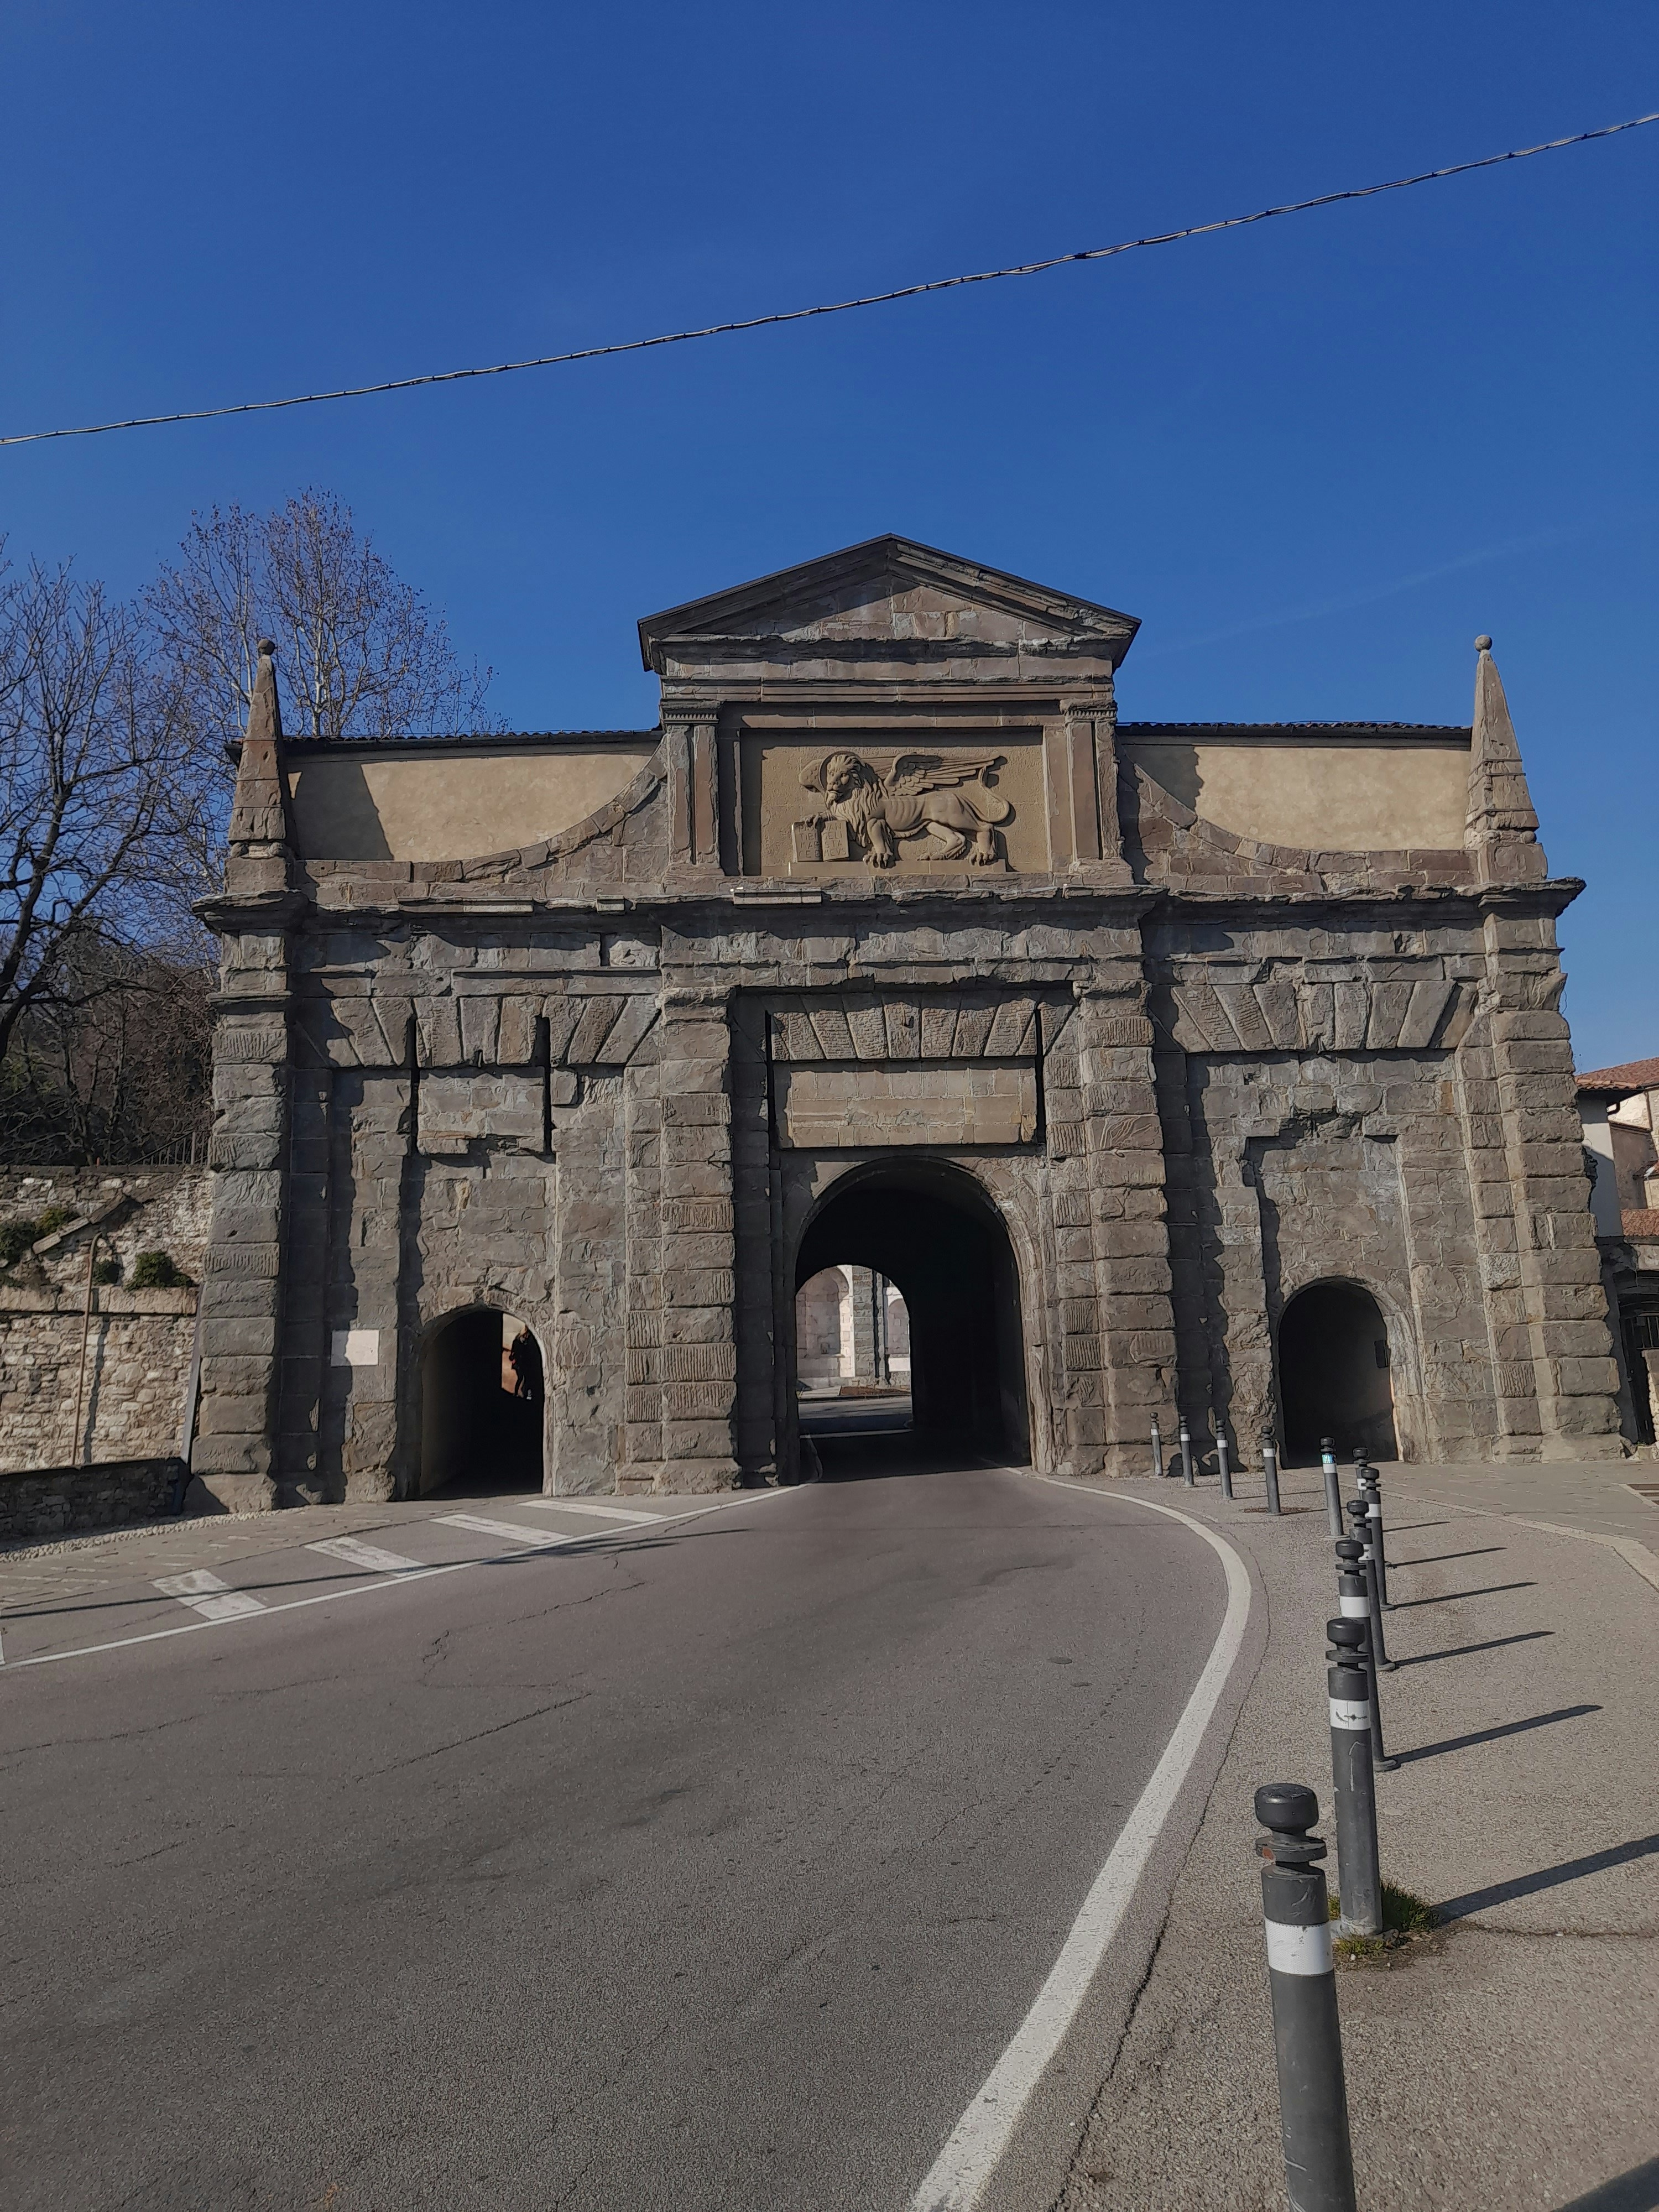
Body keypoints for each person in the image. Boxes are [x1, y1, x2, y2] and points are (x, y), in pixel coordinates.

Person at [507, 1325, 542, 1407]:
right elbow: (516, 1352)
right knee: (522, 1377)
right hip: (519, 1363)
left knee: (523, 1378)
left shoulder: (520, 1342)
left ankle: (520, 1393)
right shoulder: (518, 1342)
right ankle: (519, 1393)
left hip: (521, 1363)